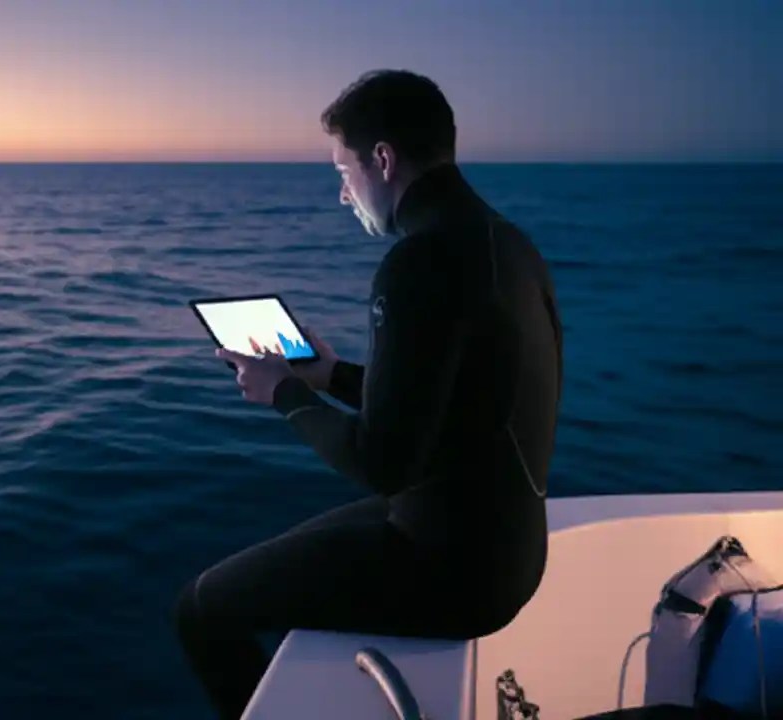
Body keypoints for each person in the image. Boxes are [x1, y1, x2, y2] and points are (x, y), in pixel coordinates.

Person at [171, 69, 564, 719]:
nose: (343, 194)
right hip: (506, 549)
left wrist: (284, 395)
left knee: (199, 608)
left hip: (450, 572)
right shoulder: (507, 244)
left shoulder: (418, 262)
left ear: (382, 159)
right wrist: (333, 377)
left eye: (342, 171)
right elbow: (468, 398)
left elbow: (382, 463)